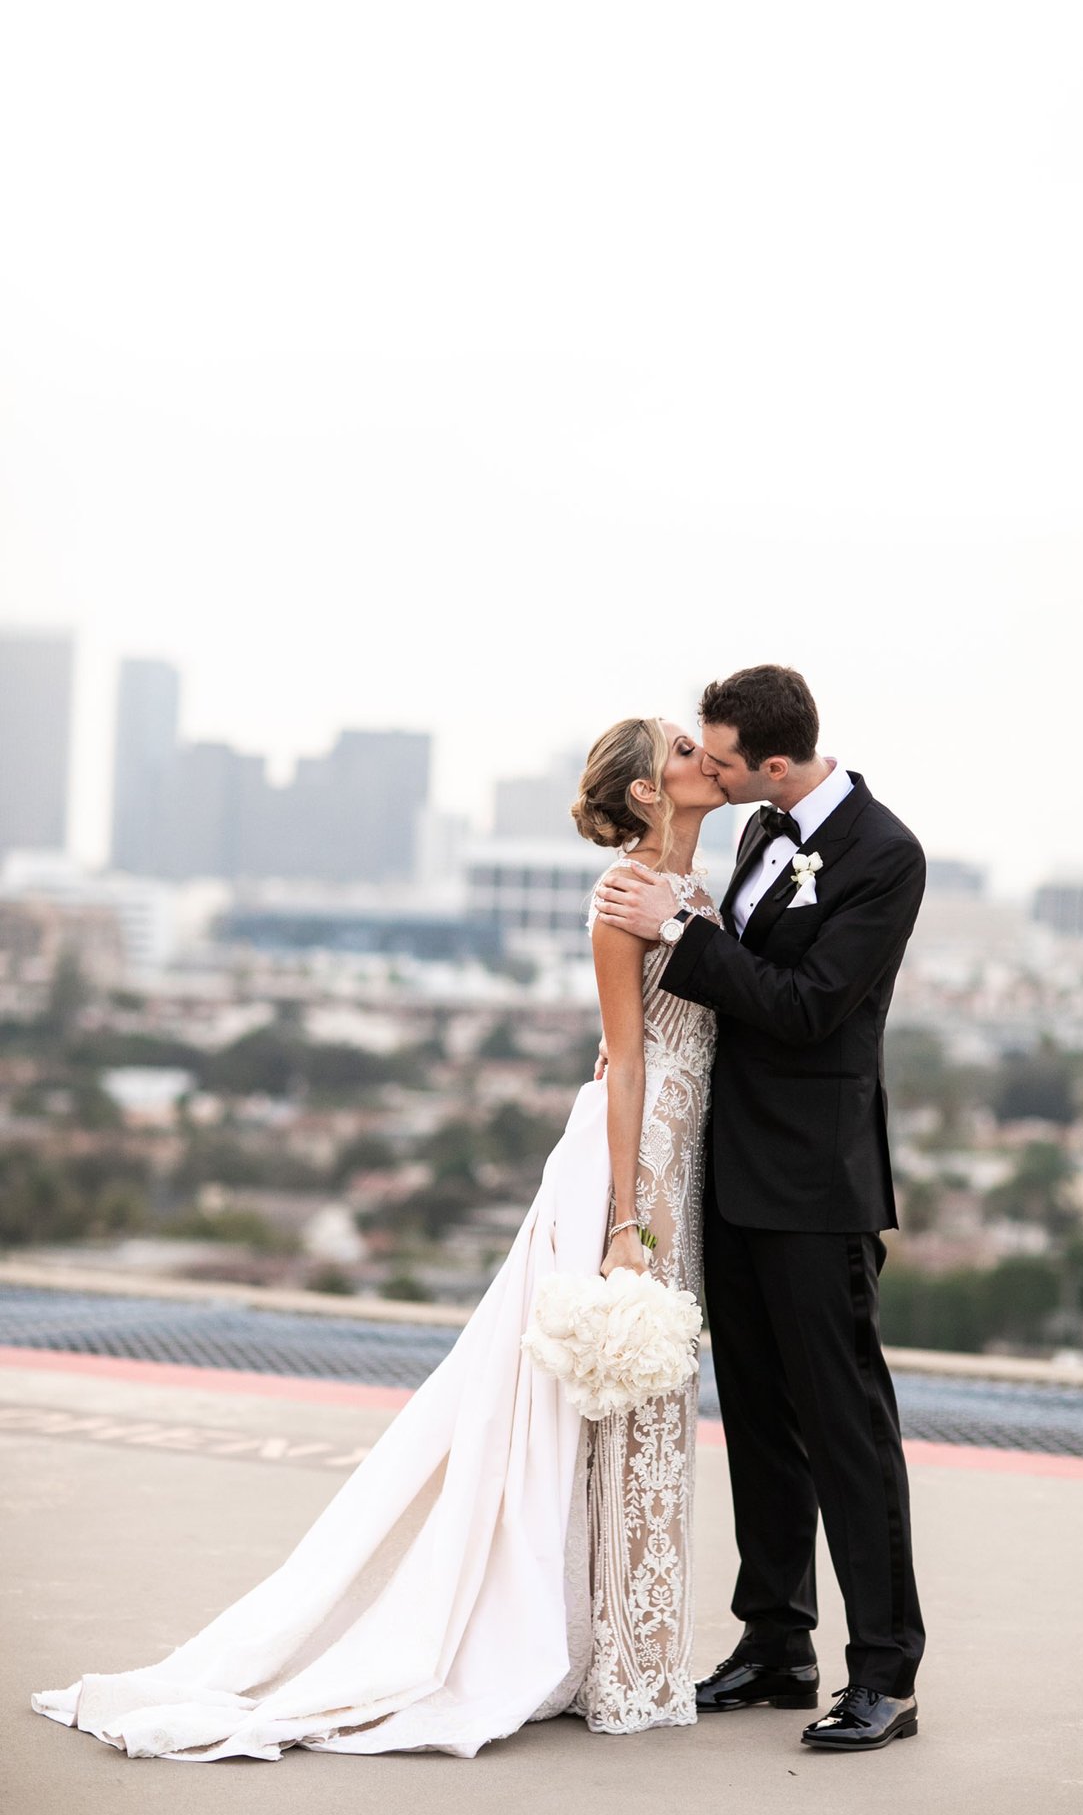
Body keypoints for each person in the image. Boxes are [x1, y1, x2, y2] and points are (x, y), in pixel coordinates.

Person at [30, 717, 723, 1761]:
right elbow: (622, 1066)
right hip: (624, 1163)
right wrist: (624, 1219)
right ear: (640, 795)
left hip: (681, 1149)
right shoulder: (623, 897)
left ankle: (622, 1647)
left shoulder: (698, 894)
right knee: (594, 1403)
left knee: (636, 1410)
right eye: (679, 750)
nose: (698, 758)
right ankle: (597, 1653)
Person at [596, 664, 928, 1754]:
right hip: (721, 1175)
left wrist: (682, 938)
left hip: (813, 1187)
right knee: (757, 1424)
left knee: (847, 1431)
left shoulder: (884, 856)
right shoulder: (754, 835)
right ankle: (774, 1641)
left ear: (773, 764)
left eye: (723, 759)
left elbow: (807, 1008)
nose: (710, 772)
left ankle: (883, 1673)